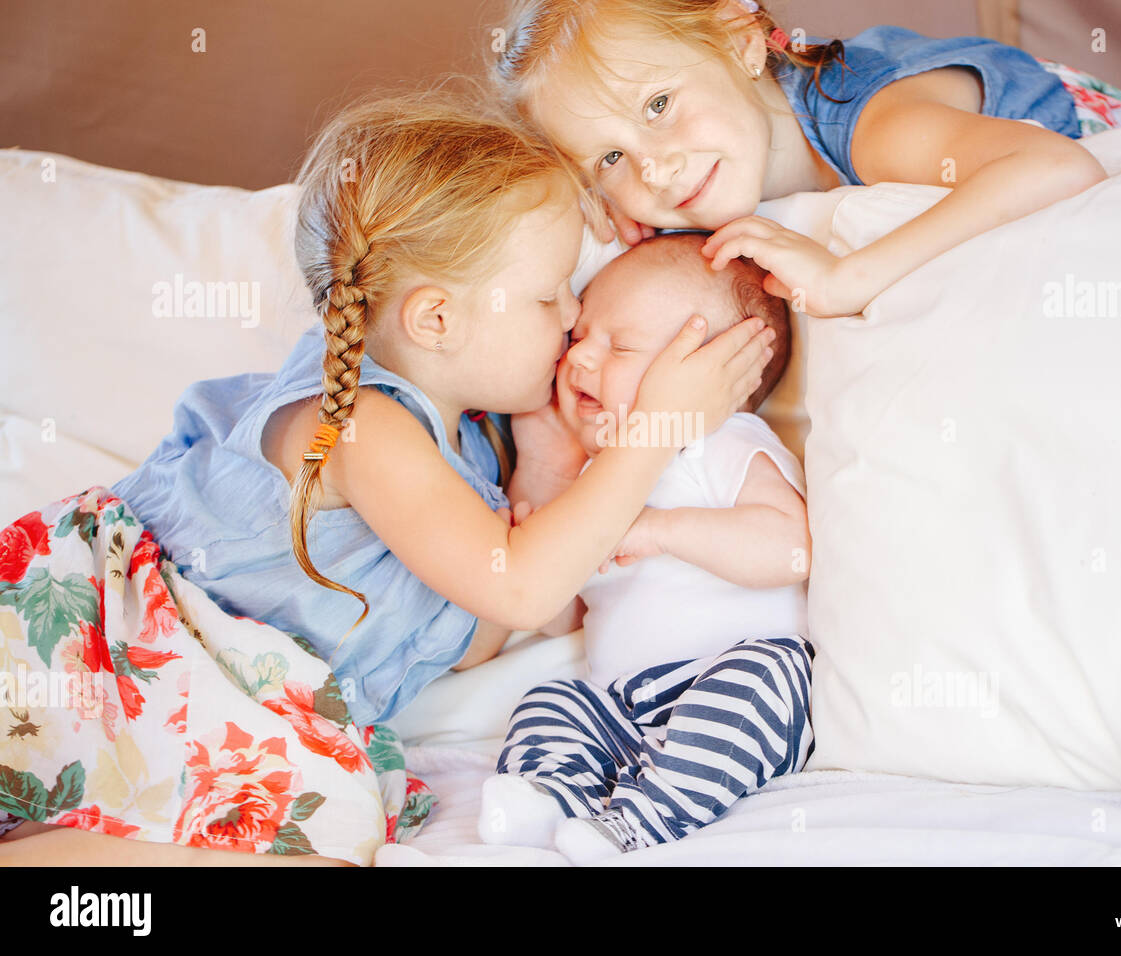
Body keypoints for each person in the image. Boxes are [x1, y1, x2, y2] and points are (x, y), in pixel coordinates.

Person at [0, 92, 774, 866]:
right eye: (550, 295)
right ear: (436, 320)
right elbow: (520, 591)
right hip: (112, 641)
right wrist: (652, 431)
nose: (573, 316)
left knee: (332, 833)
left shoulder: (473, 445)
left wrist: (541, 466)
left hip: (232, 697)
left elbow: (473, 636)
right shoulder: (363, 427)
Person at [492, 0, 1121, 316]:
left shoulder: (869, 121)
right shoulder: (671, 180)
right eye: (611, 156)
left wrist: (848, 278)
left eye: (658, 105)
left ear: (739, 42)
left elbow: (1059, 169)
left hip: (1080, 124)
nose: (655, 170)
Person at [479, 232, 812, 863]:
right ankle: (553, 796)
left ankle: (640, 822)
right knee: (551, 701)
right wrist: (533, 529)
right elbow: (569, 615)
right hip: (623, 708)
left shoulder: (724, 441)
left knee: (768, 678)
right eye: (579, 339)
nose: (579, 358)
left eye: (620, 346)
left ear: (714, 373)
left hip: (728, 680)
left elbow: (791, 546)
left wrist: (661, 529)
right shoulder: (596, 484)